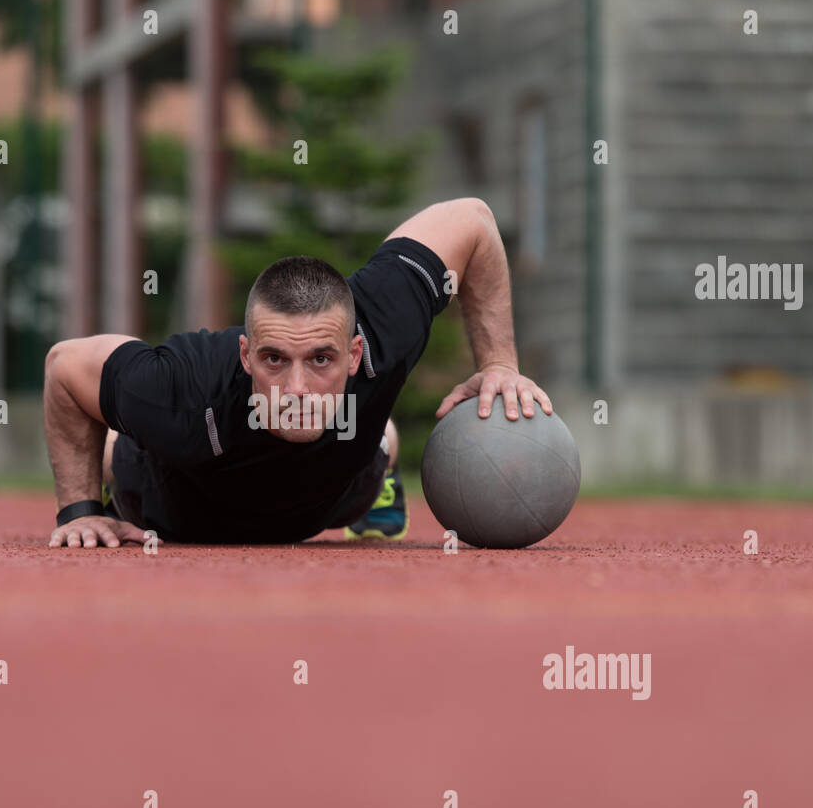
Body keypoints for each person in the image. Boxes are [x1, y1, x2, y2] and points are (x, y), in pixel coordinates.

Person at [43, 198, 553, 548]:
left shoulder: (382, 324)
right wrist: (79, 510)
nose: (296, 390)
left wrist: (499, 365)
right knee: (115, 449)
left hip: (337, 494)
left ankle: (382, 482)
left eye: (321, 361)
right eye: (274, 361)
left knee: (374, 435)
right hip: (175, 509)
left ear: (355, 354)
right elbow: (66, 366)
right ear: (246, 356)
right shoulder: (183, 389)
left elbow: (472, 220)